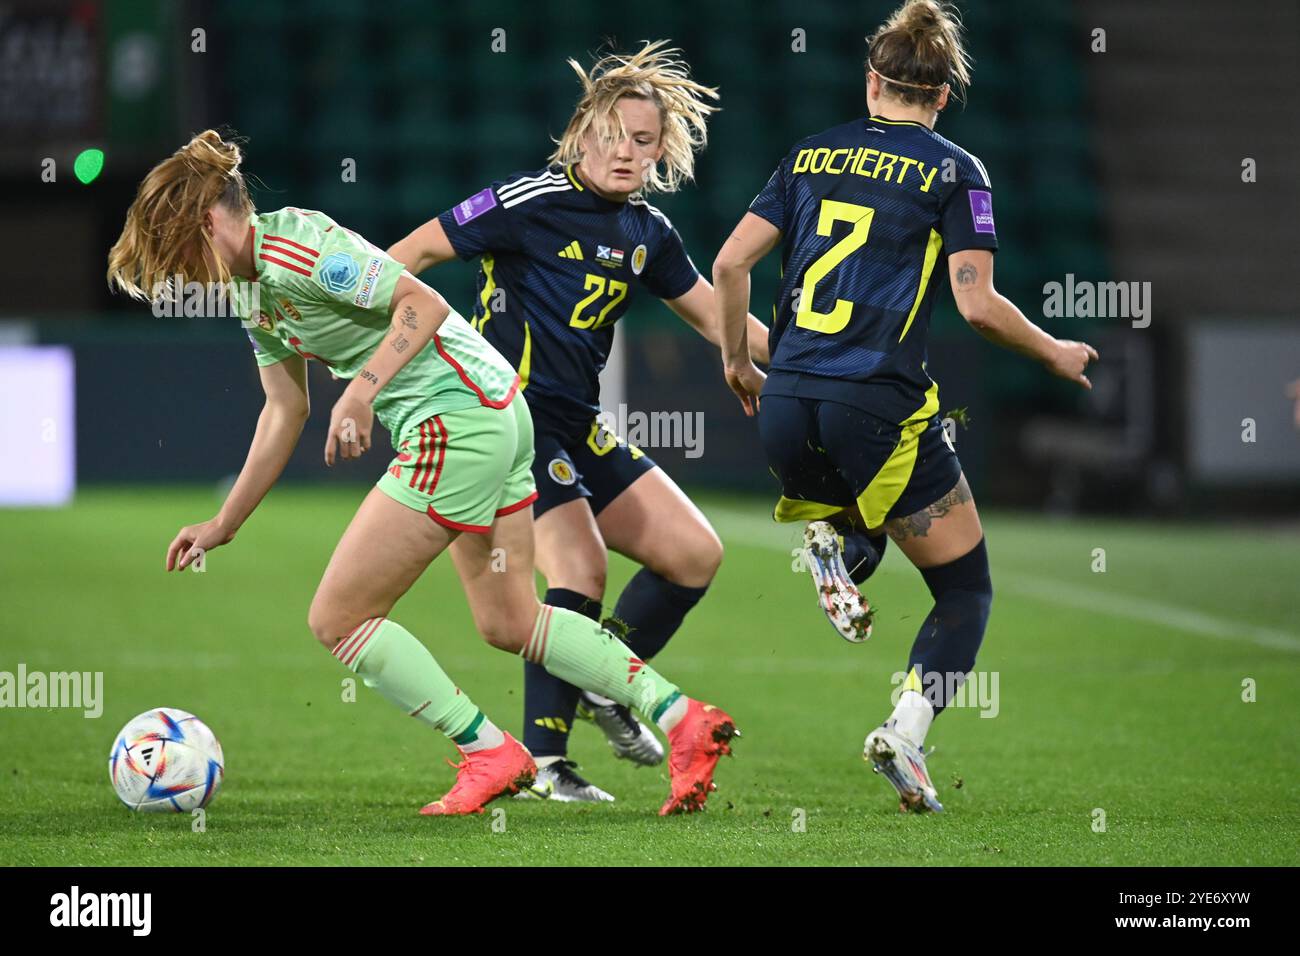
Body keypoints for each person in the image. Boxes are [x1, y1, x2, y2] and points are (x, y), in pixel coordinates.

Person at [106, 130, 737, 817]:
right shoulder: (249, 289)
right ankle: (680, 718)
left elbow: (423, 303)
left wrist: (361, 389)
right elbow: (284, 407)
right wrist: (224, 522)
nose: (188, 277)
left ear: (206, 221)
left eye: (180, 256)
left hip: (457, 421)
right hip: (494, 413)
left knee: (339, 617)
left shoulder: (298, 249)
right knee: (511, 618)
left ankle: (489, 752)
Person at [711, 0, 1096, 812]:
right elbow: (980, 307)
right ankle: (907, 734)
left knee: (866, 510)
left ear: (872, 80)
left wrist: (738, 363)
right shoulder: (956, 170)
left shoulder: (811, 153)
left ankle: (840, 548)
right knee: (965, 590)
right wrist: (1056, 351)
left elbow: (729, 261)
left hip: (786, 400)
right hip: (874, 401)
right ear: (943, 96)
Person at [389, 41, 767, 802]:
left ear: (662, 149)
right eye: (613, 136)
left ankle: (602, 676)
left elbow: (721, 321)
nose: (627, 152)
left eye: (644, 140)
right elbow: (410, 253)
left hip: (577, 418)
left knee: (694, 553)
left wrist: (809, 363)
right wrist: (376, 354)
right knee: (582, 568)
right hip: (508, 415)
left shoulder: (648, 233)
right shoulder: (525, 203)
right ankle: (549, 763)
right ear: (582, 134)